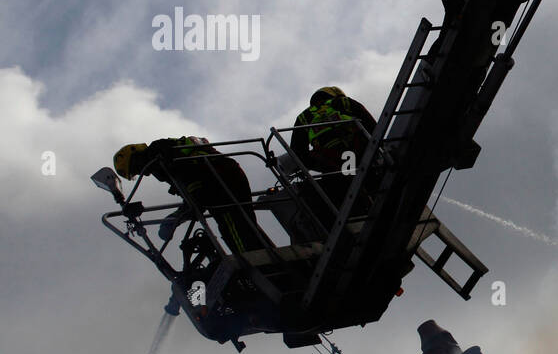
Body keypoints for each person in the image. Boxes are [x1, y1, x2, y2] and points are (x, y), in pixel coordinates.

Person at [113, 137, 271, 255]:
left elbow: (192, 184)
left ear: (136, 157)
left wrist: (176, 217)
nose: (142, 173)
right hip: (225, 175)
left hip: (219, 182)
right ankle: (268, 257)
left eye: (136, 169)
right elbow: (191, 190)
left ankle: (258, 268)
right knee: (244, 225)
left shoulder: (158, 154)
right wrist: (180, 213)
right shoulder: (164, 151)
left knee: (235, 232)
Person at [288, 86, 378, 224]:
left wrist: (319, 164)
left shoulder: (303, 117)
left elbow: (298, 152)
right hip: (358, 156)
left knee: (340, 204)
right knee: (375, 190)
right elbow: (372, 127)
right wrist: (378, 150)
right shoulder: (344, 102)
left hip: (331, 165)